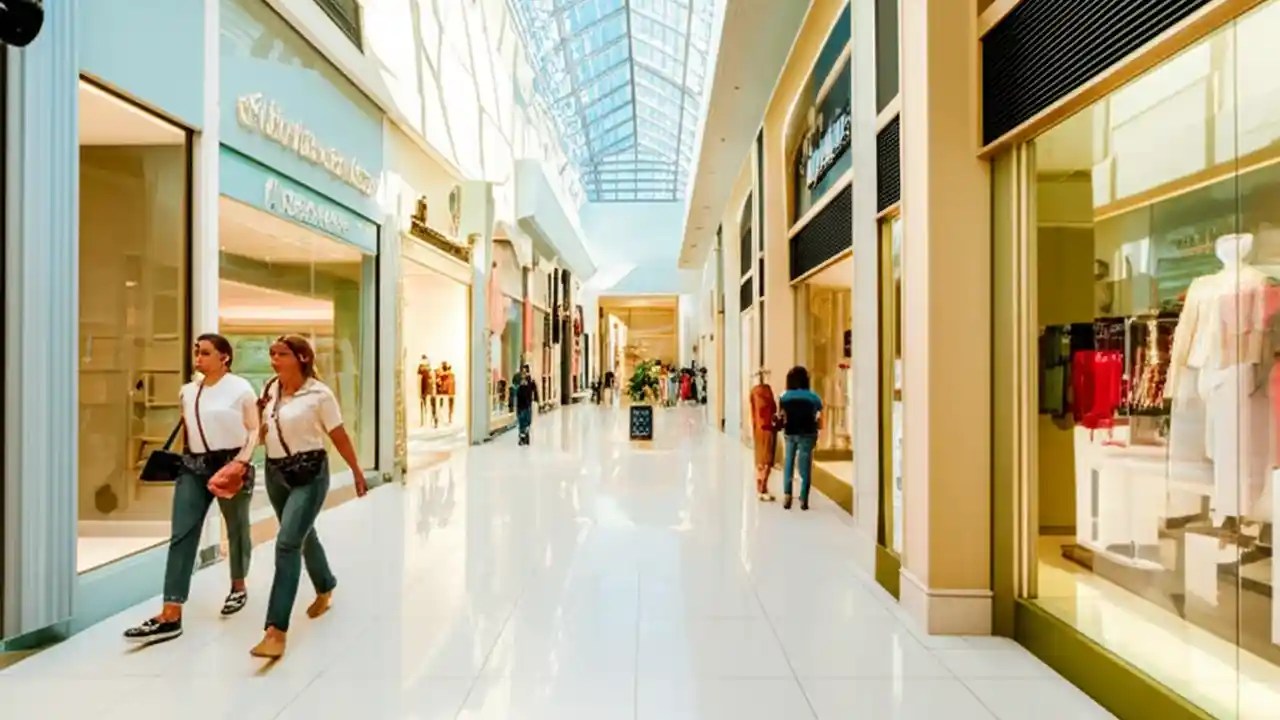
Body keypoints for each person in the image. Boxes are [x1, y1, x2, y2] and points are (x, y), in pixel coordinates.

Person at [124, 334, 259, 645]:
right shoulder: (188, 391)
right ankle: (170, 612)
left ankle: (238, 586)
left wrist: (240, 463)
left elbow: (254, 430)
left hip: (231, 462)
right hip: (194, 466)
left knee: (237, 527)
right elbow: (190, 430)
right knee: (182, 534)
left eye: (206, 353)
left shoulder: (240, 388)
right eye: (197, 352)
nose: (199, 357)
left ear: (224, 357)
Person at [251, 335, 368, 659]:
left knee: (287, 542)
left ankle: (275, 631)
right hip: (276, 473)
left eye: (282, 354)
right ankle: (326, 584)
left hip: (310, 473)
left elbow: (338, 434)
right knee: (303, 535)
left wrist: (357, 471)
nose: (274, 359)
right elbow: (263, 430)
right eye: (272, 353)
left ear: (302, 358)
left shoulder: (320, 394)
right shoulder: (271, 389)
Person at [778, 366, 823, 511]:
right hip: (807, 433)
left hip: (790, 432)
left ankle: (787, 495)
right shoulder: (813, 397)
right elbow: (819, 410)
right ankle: (803, 498)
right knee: (805, 466)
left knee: (789, 462)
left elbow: (781, 413)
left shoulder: (784, 396)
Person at [749, 370, 778, 502]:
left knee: (760, 459)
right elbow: (769, 410)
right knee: (766, 460)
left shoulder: (754, 392)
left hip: (758, 429)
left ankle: (760, 487)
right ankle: (763, 488)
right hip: (767, 428)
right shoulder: (764, 392)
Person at [515, 364, 539, 445]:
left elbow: (535, 391)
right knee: (521, 421)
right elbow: (515, 391)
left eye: (526, 371)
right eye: (523, 371)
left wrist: (536, 400)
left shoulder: (531, 381)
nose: (524, 373)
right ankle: (522, 438)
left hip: (527, 404)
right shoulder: (518, 380)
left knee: (527, 421)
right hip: (520, 405)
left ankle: (526, 436)